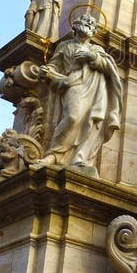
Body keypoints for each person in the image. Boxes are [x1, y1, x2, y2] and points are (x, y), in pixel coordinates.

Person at [33, 14, 122, 174]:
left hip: (95, 89)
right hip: (72, 83)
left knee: (91, 122)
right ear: (75, 25)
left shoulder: (97, 49)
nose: (88, 23)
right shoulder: (65, 46)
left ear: (94, 31)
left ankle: (79, 158)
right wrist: (47, 71)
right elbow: (54, 66)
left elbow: (110, 69)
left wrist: (93, 57)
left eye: (92, 23)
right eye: (85, 20)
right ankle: (53, 156)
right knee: (72, 118)